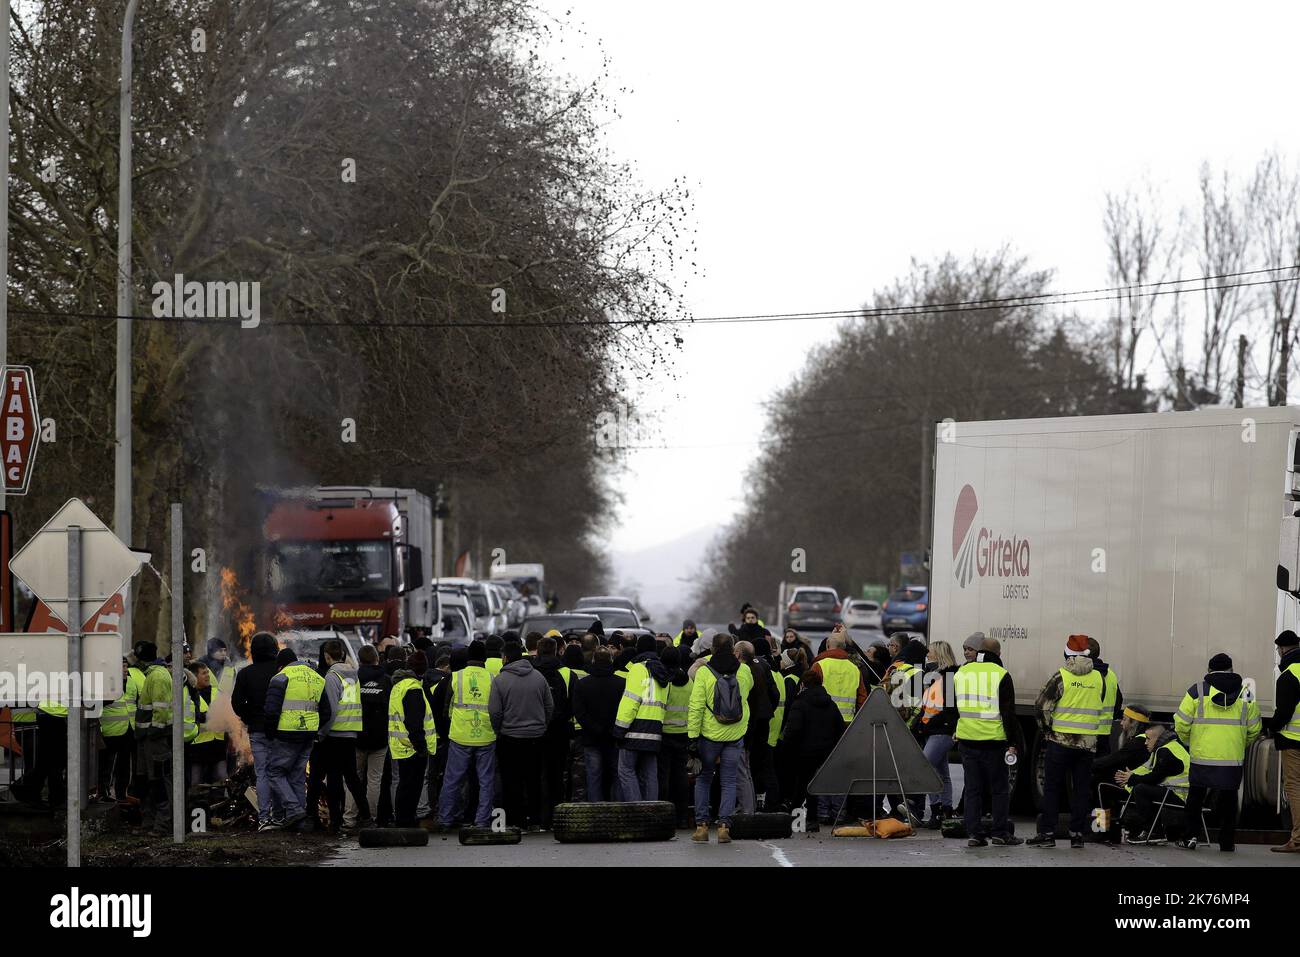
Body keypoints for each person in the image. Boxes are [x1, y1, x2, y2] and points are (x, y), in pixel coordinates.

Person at [1174, 653, 1261, 852]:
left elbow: (1181, 723)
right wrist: (1240, 744)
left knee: (1195, 797)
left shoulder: (1197, 691)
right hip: (1232, 758)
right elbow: (1255, 728)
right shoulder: (1246, 693)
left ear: (1209, 670)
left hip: (1202, 756)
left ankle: (1190, 837)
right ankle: (1227, 842)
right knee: (1229, 800)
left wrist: (1190, 742)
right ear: (1231, 669)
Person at [1028, 634, 1103, 849]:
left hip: (1060, 741)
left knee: (1052, 788)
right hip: (1087, 745)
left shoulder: (1060, 677)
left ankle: (1048, 833)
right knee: (1080, 789)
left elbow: (1041, 705)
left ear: (1067, 653)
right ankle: (1078, 833)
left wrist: (1046, 729)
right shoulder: (1098, 678)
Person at [954, 638, 1023, 847]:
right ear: (998, 654)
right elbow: (1008, 712)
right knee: (999, 789)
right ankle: (1000, 833)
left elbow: (951, 705)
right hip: (993, 741)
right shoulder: (1001, 674)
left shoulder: (962, 672)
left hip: (967, 739)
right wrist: (1013, 742)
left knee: (973, 789)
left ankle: (974, 834)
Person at [688, 635, 753, 844]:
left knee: (704, 778)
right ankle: (724, 827)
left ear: (713, 650)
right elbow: (747, 692)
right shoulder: (744, 671)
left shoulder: (704, 673)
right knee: (729, 781)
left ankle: (702, 827)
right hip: (735, 734)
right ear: (733, 648)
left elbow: (696, 706)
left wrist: (692, 737)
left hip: (710, 736)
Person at [489, 638, 554, 830]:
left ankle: (514, 821)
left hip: (509, 738)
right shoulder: (539, 677)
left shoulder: (500, 680)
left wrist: (499, 730)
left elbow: (494, 711)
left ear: (506, 658)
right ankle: (535, 820)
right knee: (533, 780)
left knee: (511, 781)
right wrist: (542, 725)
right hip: (536, 737)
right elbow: (549, 706)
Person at [264, 648, 328, 831]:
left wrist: (270, 734)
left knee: (274, 772)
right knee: (297, 776)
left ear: (281, 664)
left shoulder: (280, 677)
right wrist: (314, 727)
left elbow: (271, 711)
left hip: (286, 733)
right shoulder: (317, 677)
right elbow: (326, 711)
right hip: (308, 734)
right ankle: (302, 823)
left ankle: (294, 811)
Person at [437, 639, 497, 829]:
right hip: (486, 735)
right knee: (486, 781)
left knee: (452, 780)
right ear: (485, 658)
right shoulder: (492, 678)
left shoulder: (456, 677)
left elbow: (446, 709)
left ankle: (445, 819)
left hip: (460, 734)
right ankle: (482, 820)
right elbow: (496, 709)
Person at [312, 639, 367, 833]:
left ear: (327, 657)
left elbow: (331, 709)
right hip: (351, 732)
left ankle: (335, 821)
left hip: (335, 733)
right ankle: (367, 816)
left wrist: (321, 733)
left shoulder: (332, 676)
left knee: (334, 778)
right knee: (352, 777)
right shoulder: (355, 675)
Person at [782, 669, 847, 828]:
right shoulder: (830, 704)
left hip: (805, 751)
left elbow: (793, 730)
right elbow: (840, 728)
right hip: (827, 751)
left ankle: (797, 821)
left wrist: (787, 747)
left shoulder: (800, 703)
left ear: (803, 684)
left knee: (802, 784)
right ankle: (815, 818)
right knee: (821, 783)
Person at [232, 632, 281, 830]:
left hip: (258, 730)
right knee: (279, 772)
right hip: (280, 729)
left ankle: (264, 818)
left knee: (262, 774)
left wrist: (248, 717)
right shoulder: (281, 671)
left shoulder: (245, 673)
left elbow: (236, 703)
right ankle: (279, 816)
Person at [612, 635, 670, 801]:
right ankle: (652, 812)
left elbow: (630, 701)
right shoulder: (663, 672)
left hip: (634, 730)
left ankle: (637, 812)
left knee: (626, 771)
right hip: (655, 731)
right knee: (650, 775)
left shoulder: (638, 669)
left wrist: (619, 729)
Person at [1117, 723, 1191, 844]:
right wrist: (1131, 778)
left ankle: (1153, 831)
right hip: (1183, 794)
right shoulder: (1171, 746)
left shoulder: (1164, 751)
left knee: (1141, 789)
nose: (1145, 742)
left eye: (1148, 739)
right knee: (1144, 789)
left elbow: (1154, 778)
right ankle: (1152, 831)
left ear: (1158, 738)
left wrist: (1132, 779)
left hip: (1181, 795)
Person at [1091, 703, 1153, 841]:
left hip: (1134, 786)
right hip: (1135, 782)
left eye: (1125, 719)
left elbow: (1115, 759)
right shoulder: (1141, 740)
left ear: (1134, 723)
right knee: (1102, 779)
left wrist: (1088, 765)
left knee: (1099, 784)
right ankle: (1108, 829)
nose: (1121, 723)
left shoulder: (1138, 742)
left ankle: (1102, 830)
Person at [914, 640, 959, 827]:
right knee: (941, 772)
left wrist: (928, 724)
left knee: (926, 768)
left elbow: (949, 709)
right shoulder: (936, 676)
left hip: (942, 730)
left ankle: (936, 809)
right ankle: (945, 810)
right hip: (934, 730)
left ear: (939, 654)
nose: (927, 655)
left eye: (930, 652)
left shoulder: (948, 677)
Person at [343, 644, 387, 830]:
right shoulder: (387, 681)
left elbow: (346, 707)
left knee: (353, 778)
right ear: (377, 659)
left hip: (356, 736)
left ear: (359, 660)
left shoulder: (353, 680)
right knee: (374, 780)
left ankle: (349, 819)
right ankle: (371, 818)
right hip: (379, 738)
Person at [388, 651, 435, 829]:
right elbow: (414, 722)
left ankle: (403, 819)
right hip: (412, 747)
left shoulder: (399, 686)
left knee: (404, 785)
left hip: (401, 745)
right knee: (411, 786)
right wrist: (421, 746)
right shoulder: (413, 689)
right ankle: (406, 821)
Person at [573, 647, 625, 801]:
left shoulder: (583, 684)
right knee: (617, 775)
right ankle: (618, 812)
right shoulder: (621, 683)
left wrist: (594, 728)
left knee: (593, 776)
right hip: (615, 737)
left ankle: (595, 813)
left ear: (593, 660)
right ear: (611, 661)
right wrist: (612, 729)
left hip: (591, 737)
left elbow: (579, 712)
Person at [532, 635, 574, 822]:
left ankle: (540, 816)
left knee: (537, 774)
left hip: (535, 730)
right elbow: (574, 703)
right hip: (560, 731)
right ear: (557, 651)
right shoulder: (567, 674)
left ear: (538, 651)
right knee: (557, 774)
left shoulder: (531, 672)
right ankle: (558, 815)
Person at [737, 639, 780, 811]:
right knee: (763, 762)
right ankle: (767, 803)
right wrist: (768, 710)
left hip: (749, 722)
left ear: (738, 654)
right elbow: (774, 693)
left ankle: (748, 805)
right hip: (764, 719)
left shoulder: (740, 669)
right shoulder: (763, 664)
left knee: (745, 763)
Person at [1270, 630, 1300, 852]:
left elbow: (1284, 713)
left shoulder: (1289, 675)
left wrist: (1271, 727)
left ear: (1281, 649)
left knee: (1294, 788)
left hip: (1294, 741)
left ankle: (1297, 839)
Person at [657, 646, 694, 826]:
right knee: (680, 775)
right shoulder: (689, 682)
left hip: (664, 733)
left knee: (663, 775)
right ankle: (682, 815)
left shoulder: (665, 681)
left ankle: (664, 814)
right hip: (684, 734)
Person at [97, 658, 140, 802]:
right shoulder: (106, 683)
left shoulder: (132, 682)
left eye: (126, 666)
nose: (125, 669)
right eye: (122, 666)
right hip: (111, 731)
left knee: (124, 765)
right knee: (107, 765)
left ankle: (121, 794)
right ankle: (104, 793)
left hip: (129, 729)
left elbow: (135, 703)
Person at [809, 626, 868, 724]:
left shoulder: (819, 665)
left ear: (827, 646)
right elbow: (862, 698)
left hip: (822, 719)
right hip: (847, 722)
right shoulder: (854, 668)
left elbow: (809, 694)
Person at [187, 661, 227, 785]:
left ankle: (221, 804)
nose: (207, 676)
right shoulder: (188, 695)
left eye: (208, 673)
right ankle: (195, 804)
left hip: (218, 746)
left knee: (222, 780)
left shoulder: (217, 692)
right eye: (203, 673)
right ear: (194, 676)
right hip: (198, 748)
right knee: (196, 782)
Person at [1088, 637, 1123, 754]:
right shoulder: (1111, 675)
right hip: (1104, 733)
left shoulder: (1083, 675)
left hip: (1084, 733)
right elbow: (1118, 700)